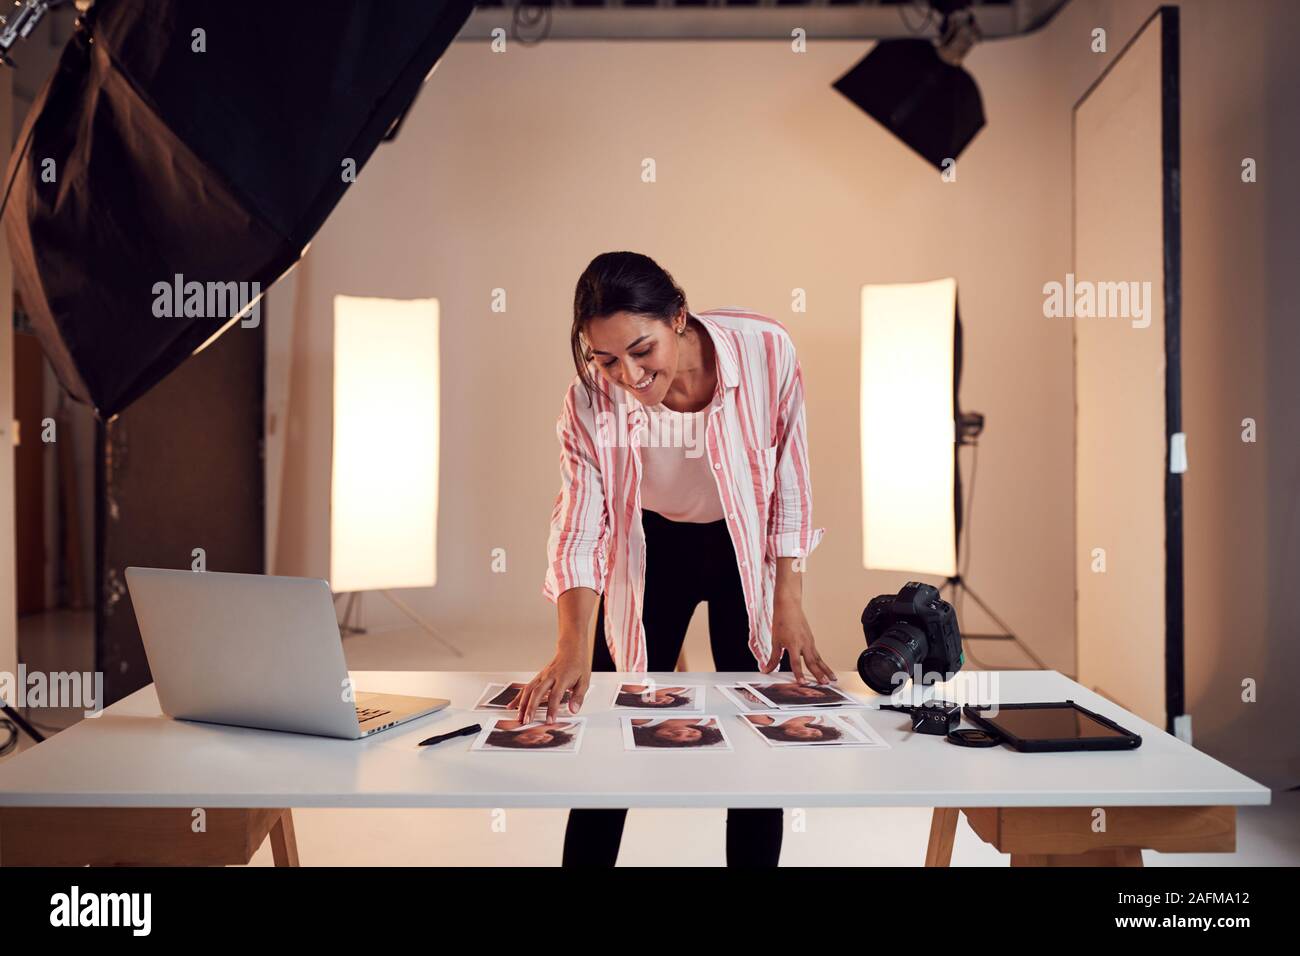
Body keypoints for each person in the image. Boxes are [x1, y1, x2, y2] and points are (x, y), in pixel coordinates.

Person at [516, 250, 832, 867]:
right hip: (652, 545)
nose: (628, 375)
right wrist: (572, 642)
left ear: (678, 318)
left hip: (743, 546)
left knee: (756, 727)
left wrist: (788, 599)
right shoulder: (587, 404)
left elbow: (790, 477)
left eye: (641, 350)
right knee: (612, 719)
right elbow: (582, 523)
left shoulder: (766, 349)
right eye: (604, 359)